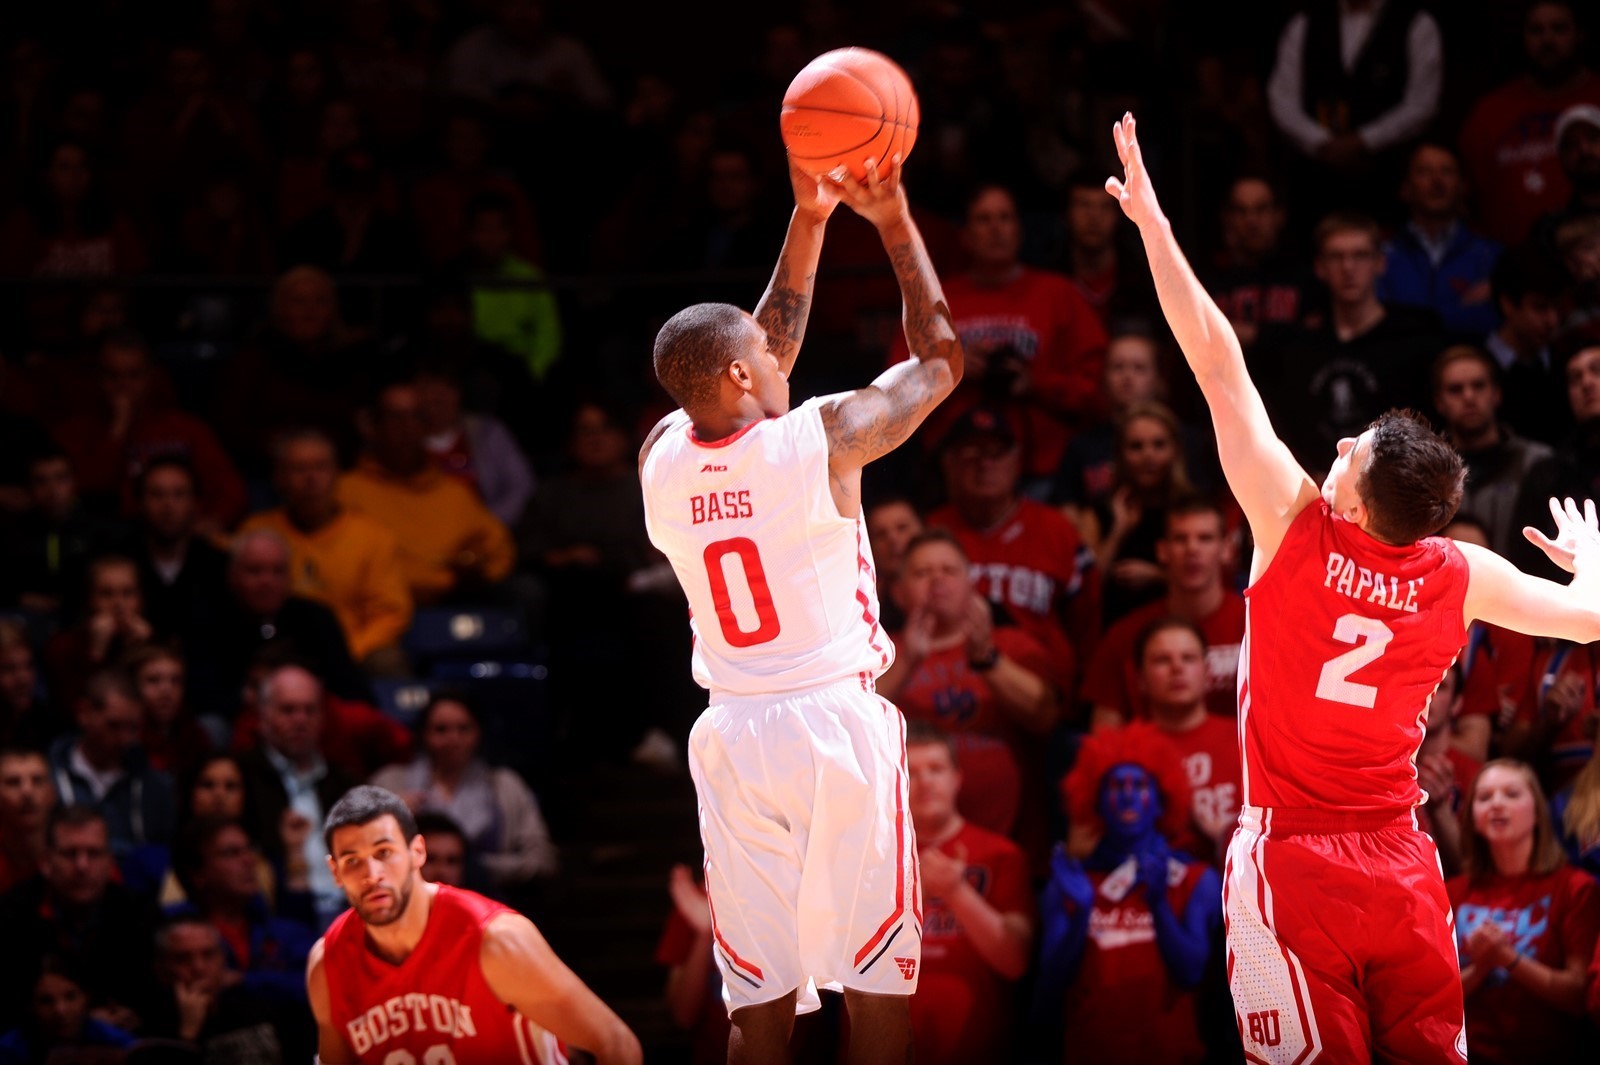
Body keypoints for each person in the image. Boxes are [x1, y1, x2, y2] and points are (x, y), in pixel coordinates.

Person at [1107, 110, 1600, 1063]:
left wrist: (1155, 229)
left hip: (1292, 859)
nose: (1334, 448)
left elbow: (1215, 358)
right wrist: (1593, 558)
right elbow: (1587, 621)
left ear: (1363, 505)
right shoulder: (1458, 573)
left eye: (1349, 455)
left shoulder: (1291, 524)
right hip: (1405, 861)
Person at [639, 154, 961, 1064]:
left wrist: (810, 218)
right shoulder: (819, 440)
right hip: (833, 726)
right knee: (877, 985)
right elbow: (940, 359)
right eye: (758, 358)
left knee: (760, 1008)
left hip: (731, 733)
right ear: (745, 377)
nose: (776, 356)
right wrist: (890, 215)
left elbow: (751, 351)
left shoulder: (660, 457)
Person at [307, 785, 641, 1063]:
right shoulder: (329, 965)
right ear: (334, 872)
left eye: (384, 852)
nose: (372, 875)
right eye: (353, 861)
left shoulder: (497, 940)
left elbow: (617, 1044)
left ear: (417, 852)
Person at [1037, 723, 1221, 1065]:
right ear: (1094, 800)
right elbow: (1049, 988)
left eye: (1139, 784)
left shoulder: (1198, 880)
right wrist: (1080, 914)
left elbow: (1191, 973)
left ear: (1162, 799)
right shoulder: (1072, 881)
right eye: (1116, 785)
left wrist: (1159, 906)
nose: (1127, 794)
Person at [877, 529, 1060, 843]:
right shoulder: (878, 652)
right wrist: (907, 661)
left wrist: (986, 658)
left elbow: (1046, 717)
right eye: (922, 573)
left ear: (970, 582)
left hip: (1010, 838)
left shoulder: (1011, 645)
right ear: (898, 591)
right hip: (906, 841)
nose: (937, 580)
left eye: (949, 571)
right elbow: (850, 721)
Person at [1447, 760, 1600, 1064]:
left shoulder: (1575, 888)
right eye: (1485, 797)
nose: (1497, 804)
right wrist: (1481, 968)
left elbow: (1578, 996)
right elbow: (1435, 1000)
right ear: (1473, 818)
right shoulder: (1451, 892)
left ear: (1538, 812)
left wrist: (1508, 958)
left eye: (1512, 794)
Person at [904, 723, 1031, 1065]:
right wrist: (912, 901)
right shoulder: (868, 857)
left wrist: (956, 892)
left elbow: (1015, 961)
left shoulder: (1001, 855)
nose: (925, 781)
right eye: (911, 772)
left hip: (979, 1048)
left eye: (936, 769)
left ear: (957, 778)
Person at [238, 428, 412, 672]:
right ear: (279, 477)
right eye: (299, 469)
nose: (311, 478)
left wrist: (345, 652)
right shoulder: (256, 532)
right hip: (272, 651)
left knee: (387, 662)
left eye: (320, 467)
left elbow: (390, 613)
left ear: (336, 474)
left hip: (352, 651)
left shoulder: (374, 537)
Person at [369, 692, 557, 892]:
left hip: (488, 898)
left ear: (478, 733)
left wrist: (477, 869)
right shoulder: (390, 781)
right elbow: (361, 852)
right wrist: (390, 821)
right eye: (441, 730)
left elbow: (543, 860)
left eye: (464, 729)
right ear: (424, 734)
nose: (453, 738)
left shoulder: (506, 786)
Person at [1084, 498, 1245, 727]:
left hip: (1235, 760)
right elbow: (1105, 741)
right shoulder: (1124, 635)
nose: (1192, 549)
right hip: (1148, 759)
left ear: (1226, 550)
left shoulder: (1255, 627)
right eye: (1181, 539)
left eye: (1205, 538)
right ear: (1162, 551)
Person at [1458, 1, 1600, 245]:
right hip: (1508, 266)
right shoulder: (1489, 111)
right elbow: (1467, 199)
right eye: (1536, 30)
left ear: (1580, 35)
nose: (1547, 40)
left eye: (1559, 29)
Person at [1431, 345, 1554, 556]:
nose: (1468, 396)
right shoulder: (1424, 471)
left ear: (1496, 394)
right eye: (1455, 389)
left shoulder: (1538, 463)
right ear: (1439, 403)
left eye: (1478, 386)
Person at [1378, 142, 1502, 339]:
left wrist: (1413, 317)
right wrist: (1456, 310)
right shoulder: (1380, 255)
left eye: (1447, 172)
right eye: (1424, 172)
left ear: (1463, 187)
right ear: (1405, 189)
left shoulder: (1491, 255)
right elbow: (1380, 325)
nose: (1437, 181)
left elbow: (1490, 322)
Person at [0, 747, 55, 894]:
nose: (27, 792)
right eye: (13, 782)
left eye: (37, 781)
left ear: (52, 793)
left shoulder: (80, 853)